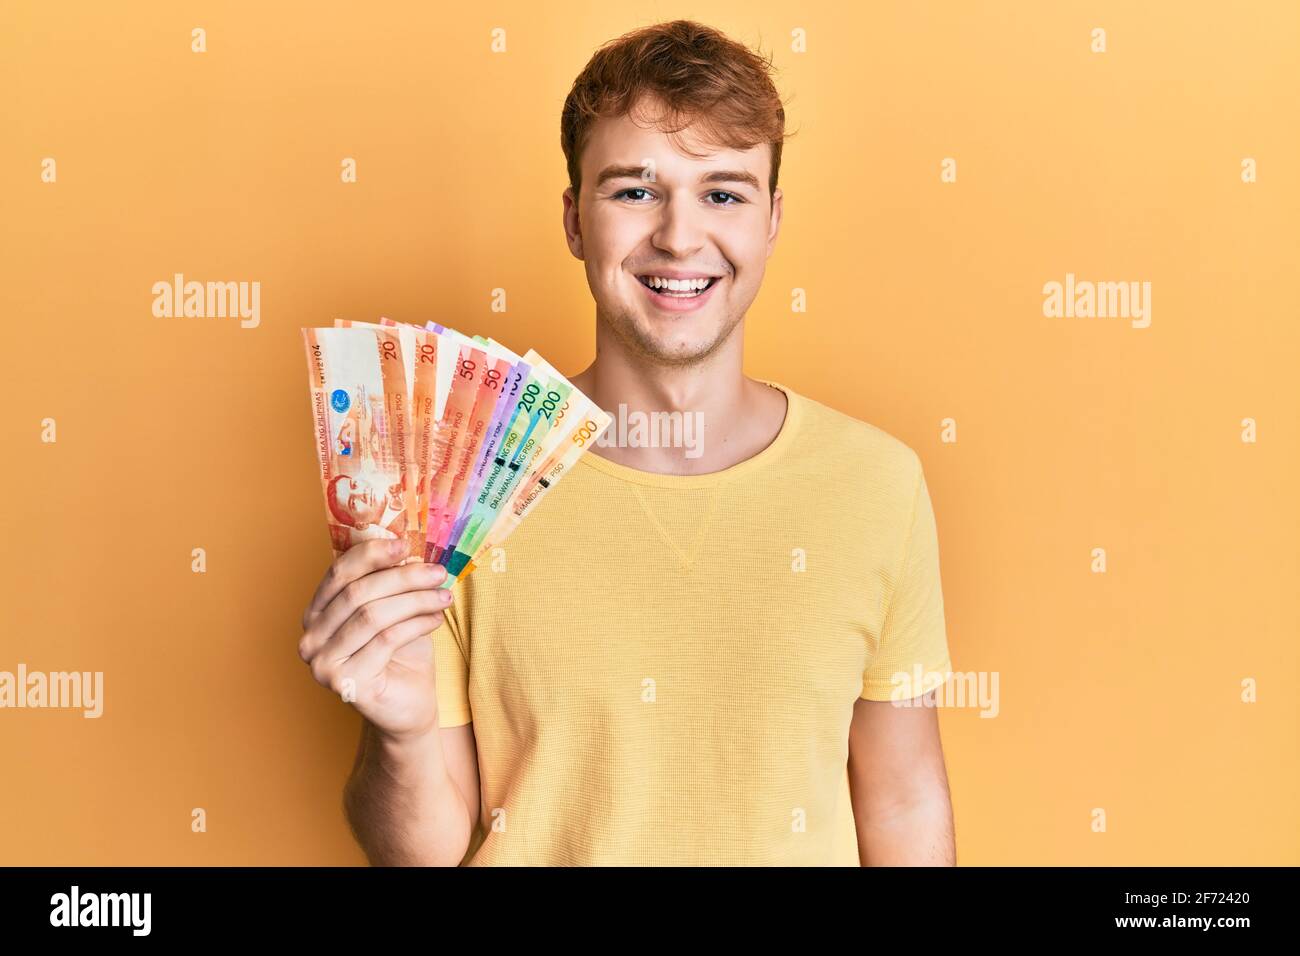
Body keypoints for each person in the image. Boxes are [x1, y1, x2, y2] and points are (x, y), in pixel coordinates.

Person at [299, 19, 955, 866]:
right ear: (575, 221)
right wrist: (398, 733)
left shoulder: (879, 485)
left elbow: (903, 800)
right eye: (634, 191)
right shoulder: (458, 489)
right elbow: (419, 850)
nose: (680, 238)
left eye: (723, 192)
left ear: (772, 221)